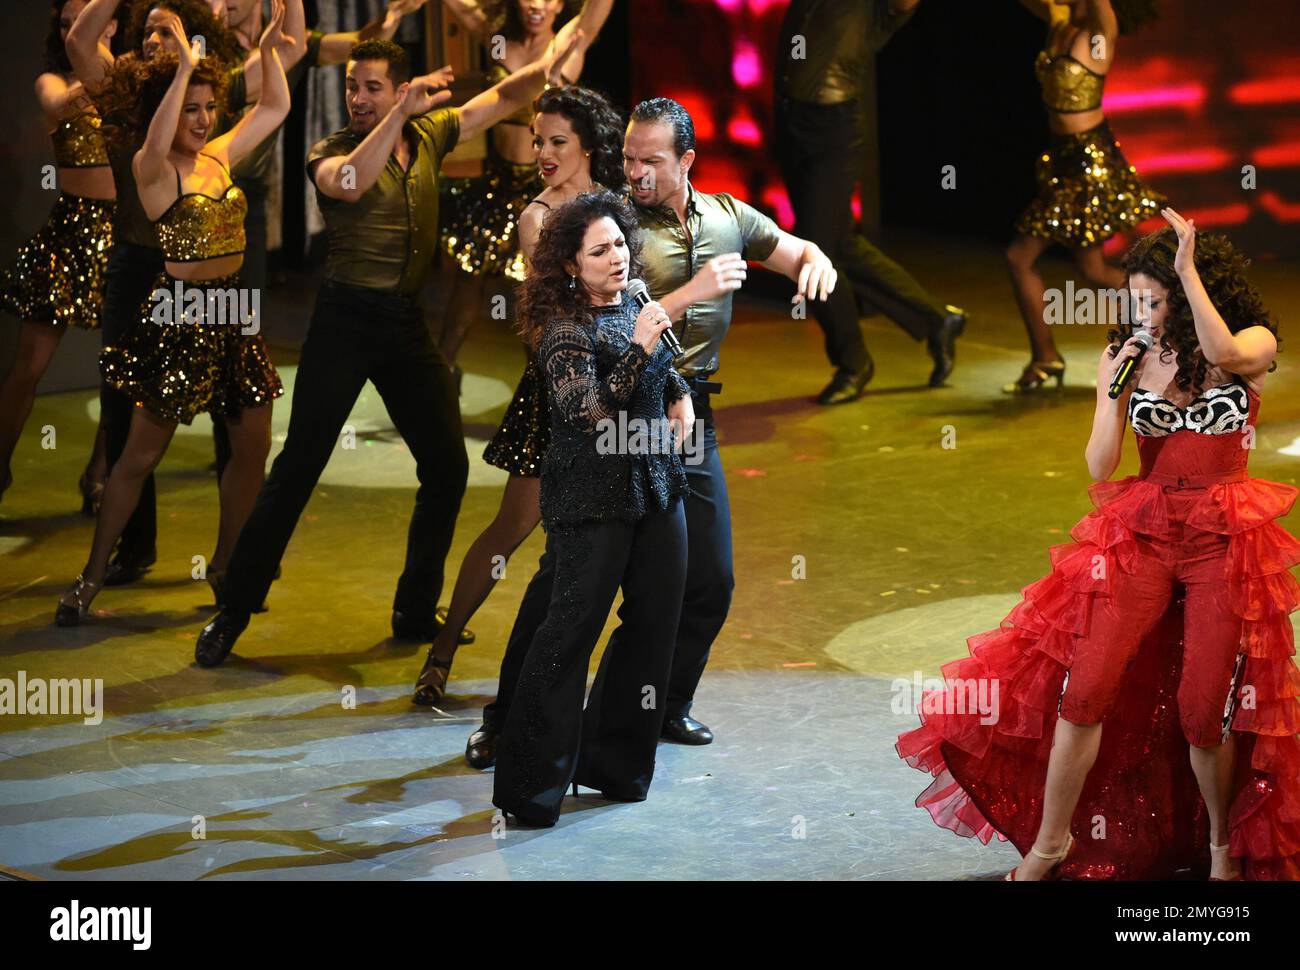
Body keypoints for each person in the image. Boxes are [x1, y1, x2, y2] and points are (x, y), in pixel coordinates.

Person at [897, 211, 1300, 881]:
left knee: (1204, 713)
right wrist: (1110, 390)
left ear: (1194, 287)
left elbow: (1227, 356)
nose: (1143, 310)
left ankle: (1221, 849)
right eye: (1136, 297)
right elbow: (1100, 465)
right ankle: (1050, 845)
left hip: (1221, 533)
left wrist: (1188, 274)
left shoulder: (1248, 340)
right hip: (1144, 527)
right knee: (1083, 693)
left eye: (1156, 296)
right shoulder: (1132, 358)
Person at [463, 96, 837, 767]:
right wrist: (689, 291)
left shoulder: (726, 216)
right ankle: (508, 716)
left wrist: (817, 260)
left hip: (690, 418)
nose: (633, 172)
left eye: (650, 161)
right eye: (628, 157)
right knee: (567, 584)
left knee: (707, 582)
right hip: (615, 416)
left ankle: (657, 707)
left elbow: (792, 249)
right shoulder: (613, 224)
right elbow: (577, 320)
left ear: (686, 160)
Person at [192, 33, 582, 667]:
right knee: (297, 467)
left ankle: (413, 608)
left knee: (448, 465)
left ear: (396, 87)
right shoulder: (334, 149)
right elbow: (349, 184)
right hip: (345, 319)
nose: (358, 98)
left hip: (403, 325)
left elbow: (508, 92)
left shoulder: (430, 134)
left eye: (373, 87)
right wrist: (400, 113)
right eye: (352, 86)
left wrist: (562, 47)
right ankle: (234, 608)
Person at [56, 3, 291, 625]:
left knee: (251, 449)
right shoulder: (150, 167)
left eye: (209, 107)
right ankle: (91, 574)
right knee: (136, 458)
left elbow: (275, 108)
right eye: (192, 107)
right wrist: (182, 70)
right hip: (180, 316)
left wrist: (267, 50)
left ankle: (227, 566)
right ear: (169, 108)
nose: (204, 118)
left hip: (234, 315)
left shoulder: (218, 156)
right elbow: (157, 137)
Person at [411, 83, 627, 704]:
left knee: (618, 539)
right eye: (538, 141)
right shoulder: (539, 216)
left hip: (623, 391)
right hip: (561, 394)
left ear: (587, 144)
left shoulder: (618, 203)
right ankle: (442, 652)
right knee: (516, 524)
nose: (544, 152)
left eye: (557, 141)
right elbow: (573, 305)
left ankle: (606, 692)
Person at [492, 189, 690, 827]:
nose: (617, 257)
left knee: (657, 620)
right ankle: (530, 784)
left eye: (621, 244)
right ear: (572, 265)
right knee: (569, 631)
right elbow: (589, 417)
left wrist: (681, 398)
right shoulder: (563, 329)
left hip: (656, 482)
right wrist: (635, 347)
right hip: (591, 495)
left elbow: (668, 367)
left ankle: (613, 762)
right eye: (600, 250)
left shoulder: (636, 300)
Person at [774, 0, 966, 405]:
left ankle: (854, 362)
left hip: (833, 127)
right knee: (840, 245)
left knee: (814, 251)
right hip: (794, 119)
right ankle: (937, 320)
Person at [434, 0, 614, 373]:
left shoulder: (568, 41)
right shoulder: (496, 35)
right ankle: (439, 380)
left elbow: (596, 10)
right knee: (466, 289)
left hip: (541, 192)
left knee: (537, 296)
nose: (536, 4)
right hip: (495, 186)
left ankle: (543, 392)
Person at [1004, 0, 1165, 392]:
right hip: (1062, 162)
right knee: (1090, 270)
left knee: (1020, 256)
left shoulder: (1099, 33)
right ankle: (1173, 314)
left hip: (1087, 164)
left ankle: (1170, 315)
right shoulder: (1060, 23)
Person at [0, 1, 119, 509]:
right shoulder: (53, 82)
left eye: (85, 21)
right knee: (29, 364)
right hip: (72, 232)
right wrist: (104, 70)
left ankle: (99, 474)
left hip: (127, 233)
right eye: (67, 24)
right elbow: (61, 105)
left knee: (121, 368)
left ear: (111, 24)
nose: (75, 30)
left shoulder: (130, 75)